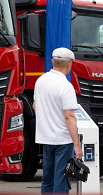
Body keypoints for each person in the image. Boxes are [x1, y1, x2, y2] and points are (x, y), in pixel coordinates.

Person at [34, 48, 83, 193]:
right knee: (61, 180)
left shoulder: (40, 81)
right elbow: (69, 116)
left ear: (52, 62)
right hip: (62, 140)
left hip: (45, 138)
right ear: (69, 64)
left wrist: (46, 122)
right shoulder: (65, 86)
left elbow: (36, 106)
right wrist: (77, 146)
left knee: (47, 180)